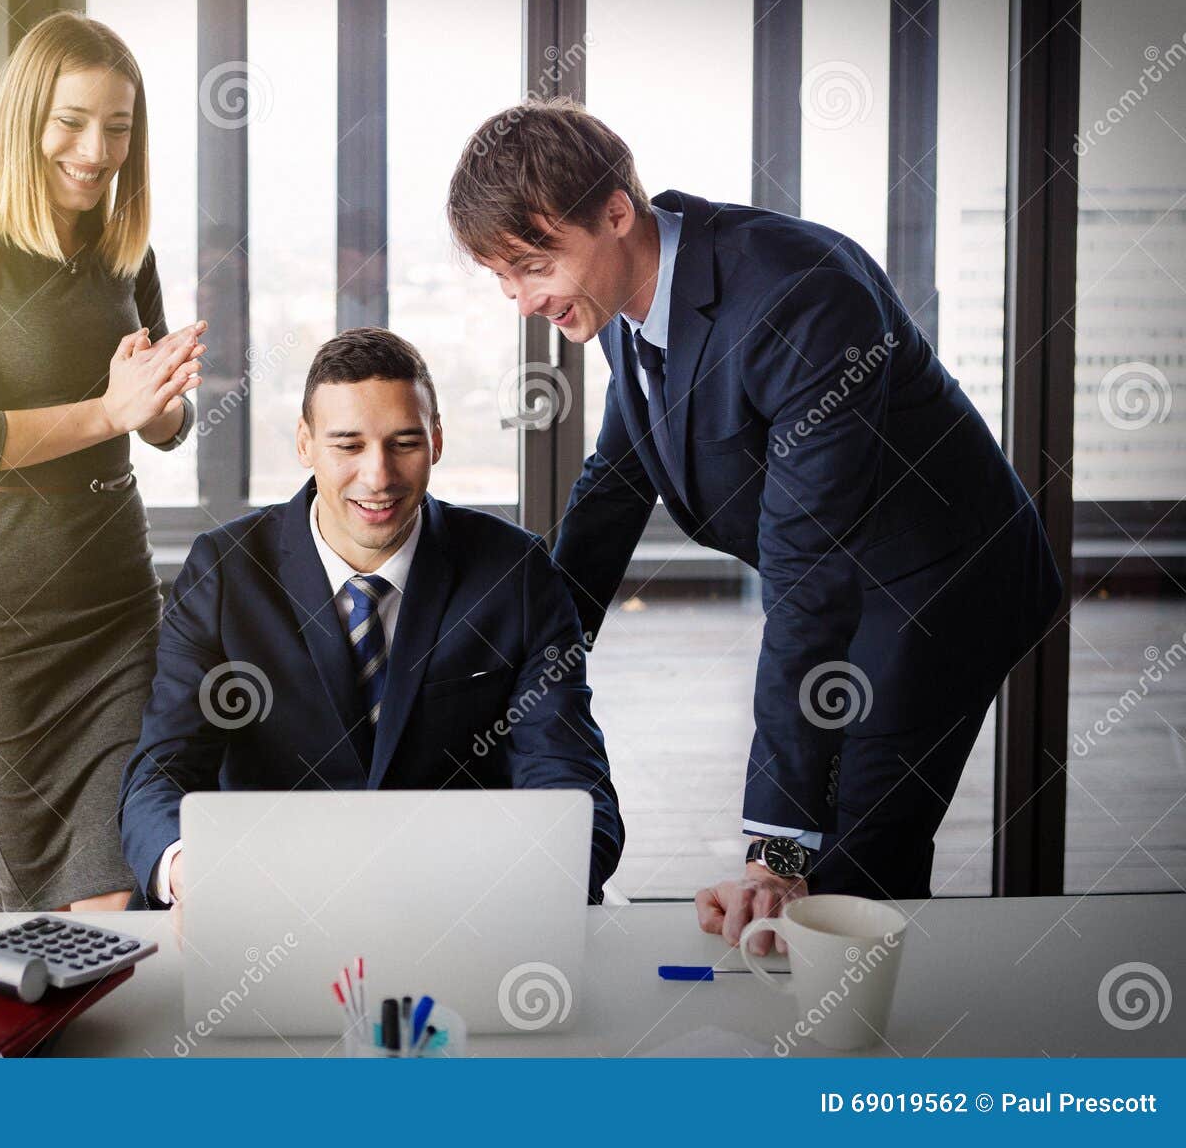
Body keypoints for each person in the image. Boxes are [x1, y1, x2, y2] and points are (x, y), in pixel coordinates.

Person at [445, 99, 1061, 952]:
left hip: (938, 584)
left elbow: (808, 582)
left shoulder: (800, 298)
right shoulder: (633, 296)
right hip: (845, 575)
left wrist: (775, 844)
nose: (522, 301)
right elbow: (613, 489)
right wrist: (527, 663)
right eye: (503, 277)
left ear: (616, 212)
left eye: (533, 265)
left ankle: (866, 1064)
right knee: (814, 870)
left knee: (849, 864)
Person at [118, 327, 624, 907]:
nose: (379, 476)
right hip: (263, 904)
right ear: (305, 444)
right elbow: (162, 771)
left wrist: (537, 885)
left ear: (436, 440)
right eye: (348, 446)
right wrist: (190, 871)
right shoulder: (224, 572)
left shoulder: (517, 572)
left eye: (403, 443)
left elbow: (568, 776)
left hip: (460, 907)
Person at [0, 12, 205, 912]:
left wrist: (159, 405)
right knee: (44, 898)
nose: (96, 148)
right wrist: (108, 409)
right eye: (72, 120)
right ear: (26, 118)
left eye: (117, 125)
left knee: (118, 881)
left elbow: (164, 425)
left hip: (115, 605)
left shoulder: (123, 250)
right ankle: (27, 1040)